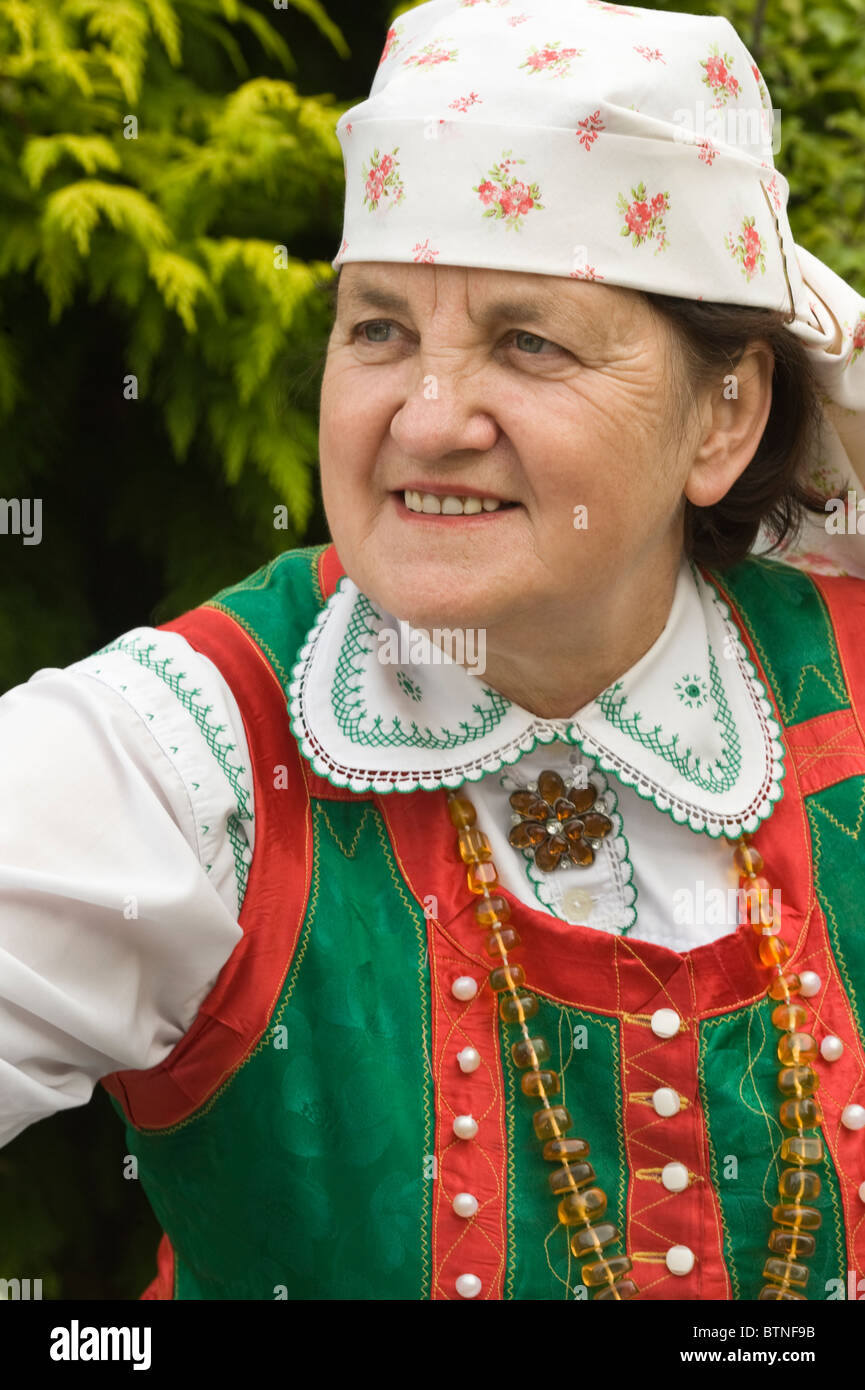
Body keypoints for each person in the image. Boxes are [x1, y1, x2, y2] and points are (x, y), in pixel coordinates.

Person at [2, 0, 865, 1302]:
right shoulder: (187, 758)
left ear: (723, 414)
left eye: (528, 340)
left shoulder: (841, 688)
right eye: (379, 329)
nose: (426, 416)